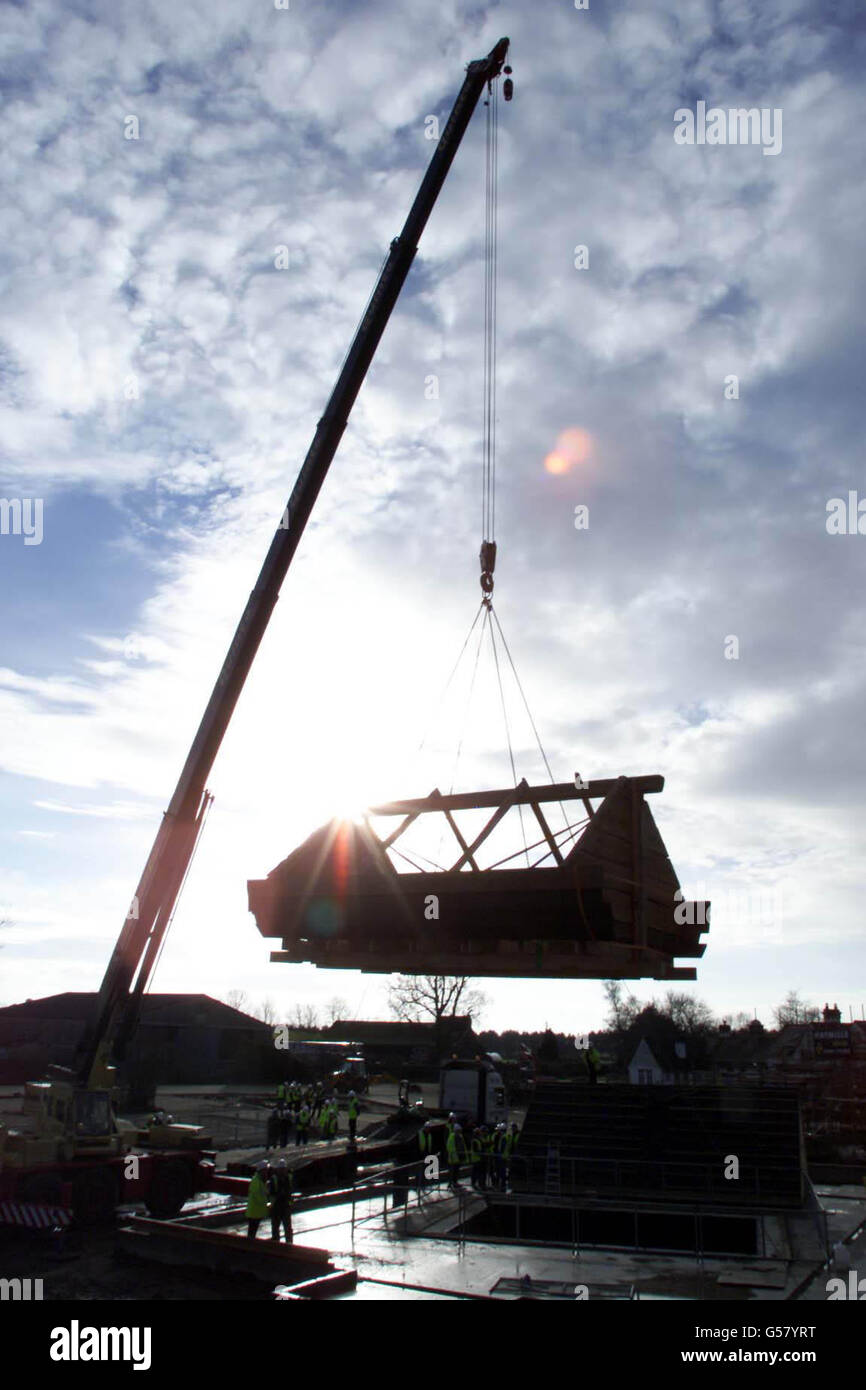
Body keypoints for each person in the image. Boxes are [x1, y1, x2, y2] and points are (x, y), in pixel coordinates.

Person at [268, 1158, 293, 1243]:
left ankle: (289, 1243)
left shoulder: (289, 1177)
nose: (282, 1171)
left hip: (285, 1205)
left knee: (287, 1227)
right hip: (276, 1206)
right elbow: (270, 1193)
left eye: (284, 1169)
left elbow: (291, 1190)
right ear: (278, 1170)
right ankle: (276, 1243)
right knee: (275, 1227)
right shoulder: (273, 1179)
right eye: (281, 1169)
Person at [246, 1160, 270, 1239]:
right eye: (265, 1170)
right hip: (254, 1212)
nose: (267, 1172)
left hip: (257, 1212)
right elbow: (257, 1195)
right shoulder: (256, 1180)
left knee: (253, 1232)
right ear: (261, 1170)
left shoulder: (261, 1180)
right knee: (252, 1232)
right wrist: (265, 1203)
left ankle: (250, 1245)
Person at [446, 1123, 465, 1187]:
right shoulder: (452, 1136)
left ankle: (454, 1182)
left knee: (456, 1170)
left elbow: (462, 1146)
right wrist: (454, 1153)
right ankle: (451, 1183)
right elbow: (450, 1146)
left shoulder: (460, 1136)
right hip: (454, 1156)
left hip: (458, 1156)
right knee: (452, 1171)